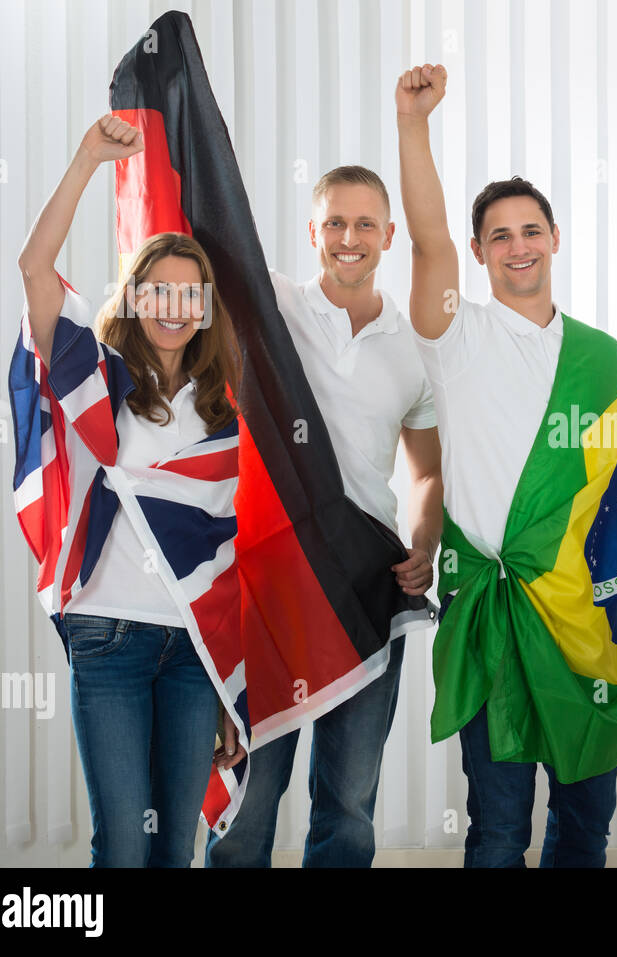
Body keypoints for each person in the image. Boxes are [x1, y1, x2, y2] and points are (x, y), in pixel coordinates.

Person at [396, 63, 617, 868]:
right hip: (495, 617)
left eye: (529, 230)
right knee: (499, 827)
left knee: (586, 822)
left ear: (555, 238)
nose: (516, 246)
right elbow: (427, 236)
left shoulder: (601, 354)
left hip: (586, 617)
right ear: (478, 251)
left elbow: (610, 502)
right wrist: (413, 126)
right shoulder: (455, 337)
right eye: (498, 235)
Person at [12, 114, 245, 867]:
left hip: (192, 648)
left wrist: (232, 685)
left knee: (174, 844)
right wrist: (85, 160)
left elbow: (232, 552)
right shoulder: (99, 378)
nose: (175, 308)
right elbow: (35, 269)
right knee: (122, 843)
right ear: (136, 296)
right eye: (159, 292)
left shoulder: (226, 410)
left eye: (191, 295)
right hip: (108, 633)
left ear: (205, 307)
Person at [204, 164, 443, 868]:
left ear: (389, 235)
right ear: (313, 232)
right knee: (249, 804)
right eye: (334, 222)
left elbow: (426, 471)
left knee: (347, 807)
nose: (349, 237)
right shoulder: (268, 304)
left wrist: (426, 541)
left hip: (368, 590)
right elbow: (201, 232)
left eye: (365, 223)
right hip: (272, 586)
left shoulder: (416, 346)